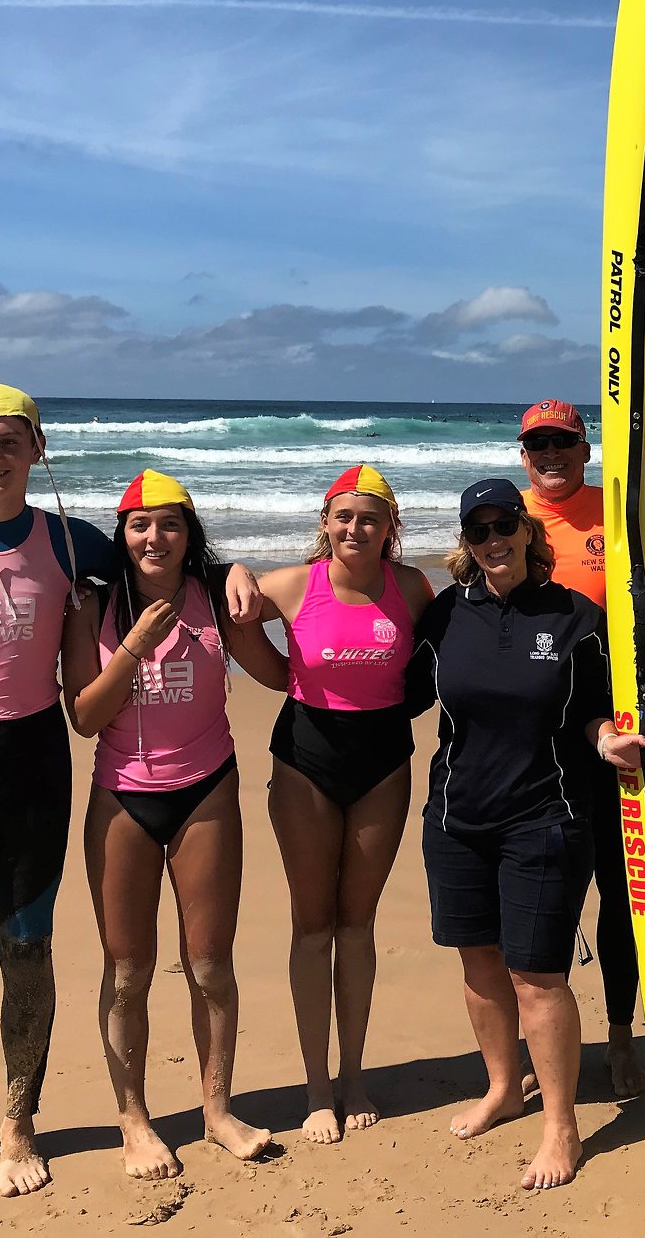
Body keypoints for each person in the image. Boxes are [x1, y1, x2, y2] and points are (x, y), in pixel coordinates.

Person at [0, 384, 261, 1203]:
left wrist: (236, 571)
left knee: (27, 953)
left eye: (10, 442)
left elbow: (165, 556)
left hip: (34, 767)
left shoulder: (70, 542)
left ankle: (18, 1126)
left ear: (36, 451)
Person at [402, 479, 638, 1192]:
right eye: (478, 531)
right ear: (467, 543)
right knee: (478, 962)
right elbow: (398, 691)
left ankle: (560, 1124)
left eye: (504, 525)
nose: (493, 540)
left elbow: (596, 708)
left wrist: (608, 742)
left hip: (545, 815)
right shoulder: (447, 613)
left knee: (537, 976)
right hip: (456, 818)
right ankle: (504, 1087)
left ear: (528, 532)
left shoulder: (575, 616)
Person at [61, 470, 285, 1177]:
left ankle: (218, 1111)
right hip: (123, 796)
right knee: (128, 972)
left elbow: (282, 673)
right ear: (121, 534)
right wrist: (133, 646)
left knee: (211, 966)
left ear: (190, 535)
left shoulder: (213, 597)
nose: (154, 537)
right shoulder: (92, 605)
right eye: (139, 525)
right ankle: (134, 1120)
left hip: (207, 791)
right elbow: (84, 716)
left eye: (170, 524)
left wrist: (256, 587)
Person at [258, 465, 433, 1142]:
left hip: (383, 761)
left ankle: (354, 1074)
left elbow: (439, 654)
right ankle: (316, 1087)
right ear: (325, 523)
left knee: (357, 925)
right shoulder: (293, 584)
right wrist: (282, 673)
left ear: (391, 527)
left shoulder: (411, 587)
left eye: (370, 518)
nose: (355, 528)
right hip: (305, 759)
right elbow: (230, 610)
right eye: (344, 516)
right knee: (313, 925)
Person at [514, 400, 645, 1098]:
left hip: (609, 725)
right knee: (541, 897)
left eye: (562, 441)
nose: (551, 454)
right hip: (535, 737)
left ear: (584, 447)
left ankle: (621, 1035)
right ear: (523, 454)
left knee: (621, 895)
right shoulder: (505, 520)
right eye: (538, 444)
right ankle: (540, 1043)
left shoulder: (617, 510)